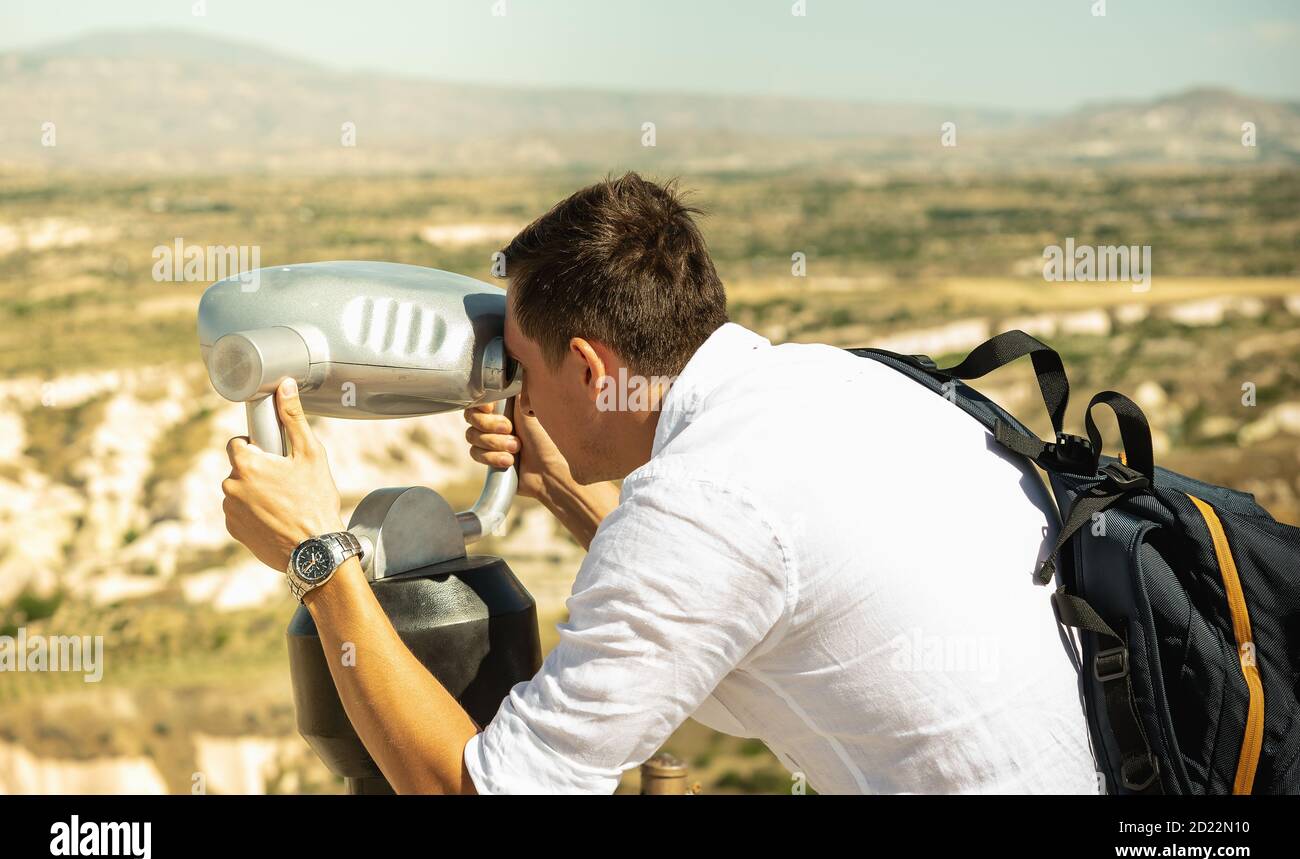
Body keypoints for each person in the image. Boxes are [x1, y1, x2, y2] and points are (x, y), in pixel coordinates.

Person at [221, 172, 1098, 794]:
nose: (511, 392)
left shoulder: (697, 507)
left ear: (592, 367)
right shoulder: (838, 381)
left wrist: (318, 556)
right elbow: (732, 596)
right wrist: (565, 491)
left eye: (519, 364)